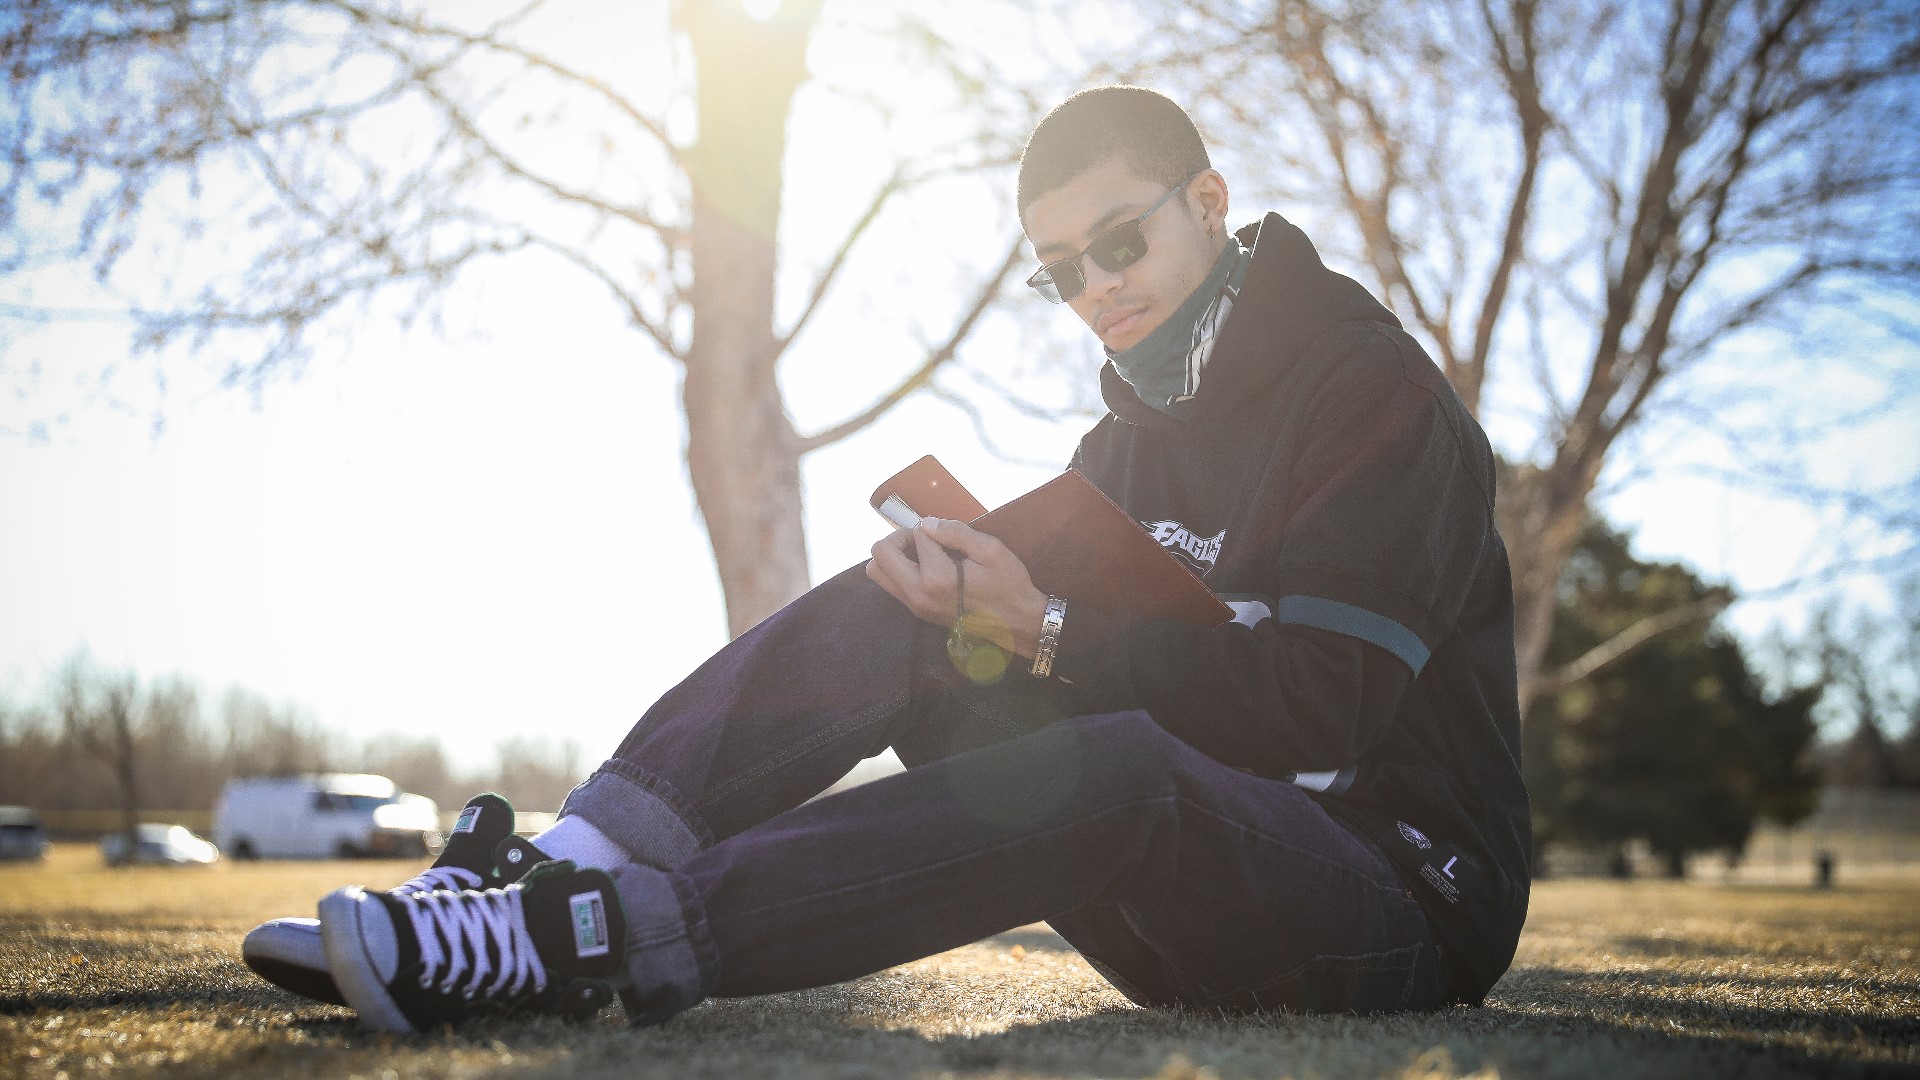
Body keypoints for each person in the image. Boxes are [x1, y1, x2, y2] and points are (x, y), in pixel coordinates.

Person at [241, 85, 1530, 1032]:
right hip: (1184, 895)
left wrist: (1055, 634)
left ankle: (574, 944)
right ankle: (568, 861)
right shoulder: (1125, 437)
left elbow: (1322, 726)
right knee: (918, 597)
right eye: (1062, 272)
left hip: (1390, 904)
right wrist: (990, 614)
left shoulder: (1374, 399)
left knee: (1118, 760)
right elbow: (1078, 664)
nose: (1098, 288)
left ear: (1210, 204)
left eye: (1121, 244)